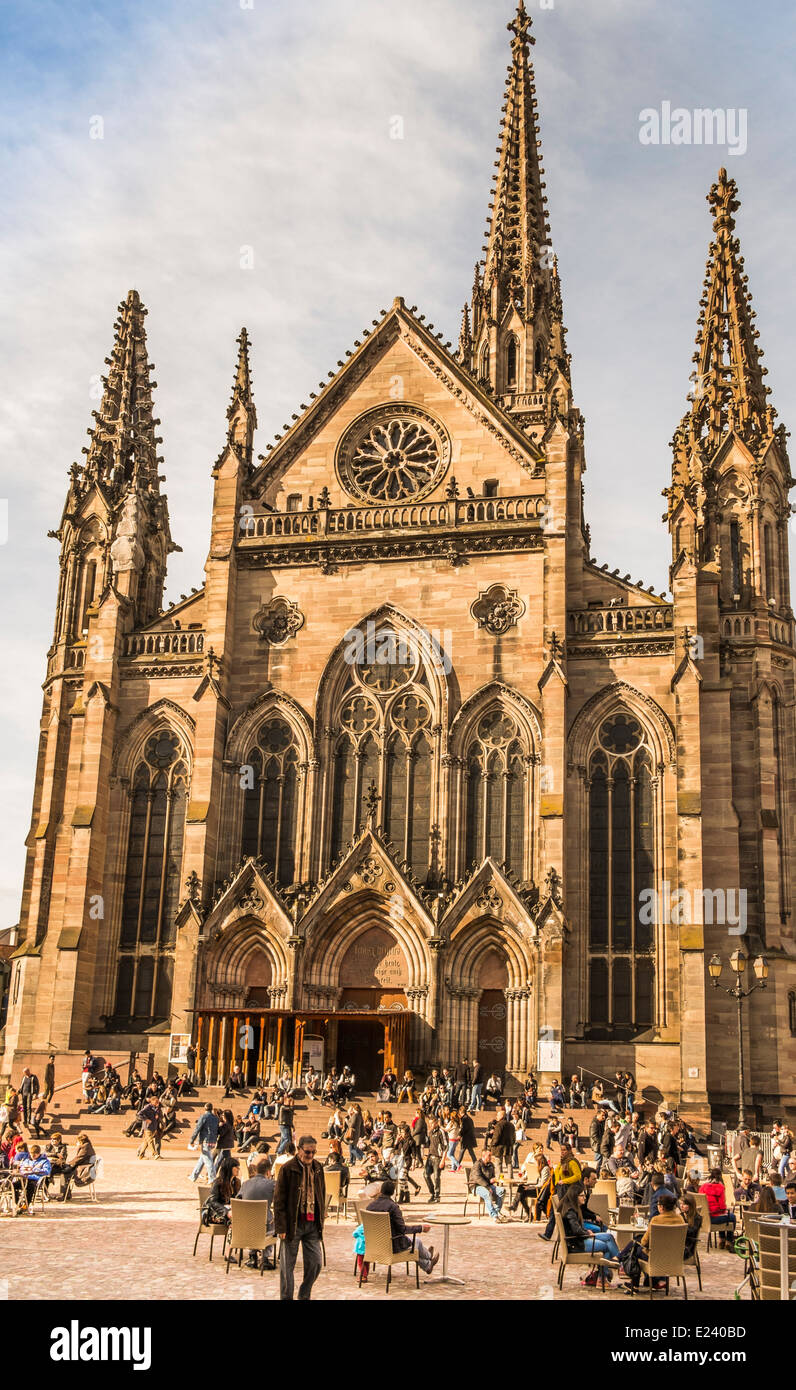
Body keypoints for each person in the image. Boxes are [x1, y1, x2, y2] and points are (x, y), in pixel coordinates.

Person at [274, 1134, 326, 1301]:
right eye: (307, 1152)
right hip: (292, 1224)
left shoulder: (318, 1167)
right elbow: (279, 1199)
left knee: (316, 1263)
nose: (310, 1155)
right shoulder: (288, 1169)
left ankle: (304, 1294)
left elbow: (321, 1192)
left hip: (312, 1224)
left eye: (313, 1152)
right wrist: (281, 1227)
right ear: (299, 1149)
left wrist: (322, 1213)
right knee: (287, 1266)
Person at [366, 1179, 440, 1274]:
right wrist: (421, 1228)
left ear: (381, 1191)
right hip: (392, 1246)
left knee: (415, 1244)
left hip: (373, 1244)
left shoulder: (370, 1206)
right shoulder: (393, 1207)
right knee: (417, 1242)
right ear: (393, 1192)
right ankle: (428, 1257)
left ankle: (427, 1261)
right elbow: (403, 1229)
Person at [558, 1185, 621, 1275]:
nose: (584, 1198)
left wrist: (586, 1232)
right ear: (574, 1196)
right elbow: (576, 1230)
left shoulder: (572, 1207)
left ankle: (619, 1261)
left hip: (578, 1240)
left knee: (609, 1237)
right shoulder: (570, 1210)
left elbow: (577, 1228)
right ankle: (604, 1276)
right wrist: (587, 1232)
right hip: (577, 1244)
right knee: (605, 1246)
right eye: (582, 1196)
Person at [238, 1155, 276, 1269]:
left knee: (254, 1220)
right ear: (268, 1172)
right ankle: (264, 1258)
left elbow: (238, 1200)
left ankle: (252, 1255)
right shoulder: (272, 1184)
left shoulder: (245, 1184)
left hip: (245, 1225)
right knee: (271, 1220)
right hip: (264, 1226)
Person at [699, 1167, 736, 1248]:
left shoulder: (702, 1187)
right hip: (714, 1218)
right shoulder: (720, 1187)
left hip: (705, 1218)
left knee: (722, 1214)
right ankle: (729, 1241)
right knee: (732, 1217)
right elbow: (722, 1207)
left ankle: (721, 1240)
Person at [471, 1147, 507, 1222]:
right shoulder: (477, 1164)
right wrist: (487, 1186)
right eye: (489, 1156)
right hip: (476, 1186)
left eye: (491, 1155)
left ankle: (496, 1212)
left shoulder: (491, 1165)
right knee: (487, 1193)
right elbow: (477, 1178)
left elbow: (492, 1176)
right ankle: (494, 1216)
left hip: (488, 1185)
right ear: (483, 1156)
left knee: (502, 1190)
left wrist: (493, 1179)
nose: (491, 1157)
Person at [57, 1133, 96, 1200]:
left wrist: (69, 1164)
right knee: (66, 1171)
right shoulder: (87, 1146)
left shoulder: (85, 1147)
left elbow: (79, 1158)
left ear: (81, 1141)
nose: (77, 1143)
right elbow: (78, 1159)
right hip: (84, 1166)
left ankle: (64, 1195)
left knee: (64, 1174)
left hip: (84, 1169)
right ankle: (67, 1195)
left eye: (78, 1141)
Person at [190, 1103, 219, 1183]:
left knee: (208, 1160)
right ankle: (193, 1176)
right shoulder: (216, 1118)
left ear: (205, 1108)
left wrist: (192, 1140)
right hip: (213, 1140)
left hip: (206, 1140)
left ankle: (212, 1178)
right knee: (202, 1159)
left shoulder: (203, 1117)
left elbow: (197, 1129)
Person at [424, 1117, 446, 1203]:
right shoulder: (430, 1132)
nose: (430, 1125)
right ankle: (432, 1193)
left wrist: (443, 1160)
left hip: (438, 1158)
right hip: (430, 1157)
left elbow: (445, 1147)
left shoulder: (441, 1132)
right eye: (429, 1123)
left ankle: (437, 1195)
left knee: (436, 1177)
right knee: (426, 1175)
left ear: (436, 1123)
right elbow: (429, 1145)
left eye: (432, 1123)